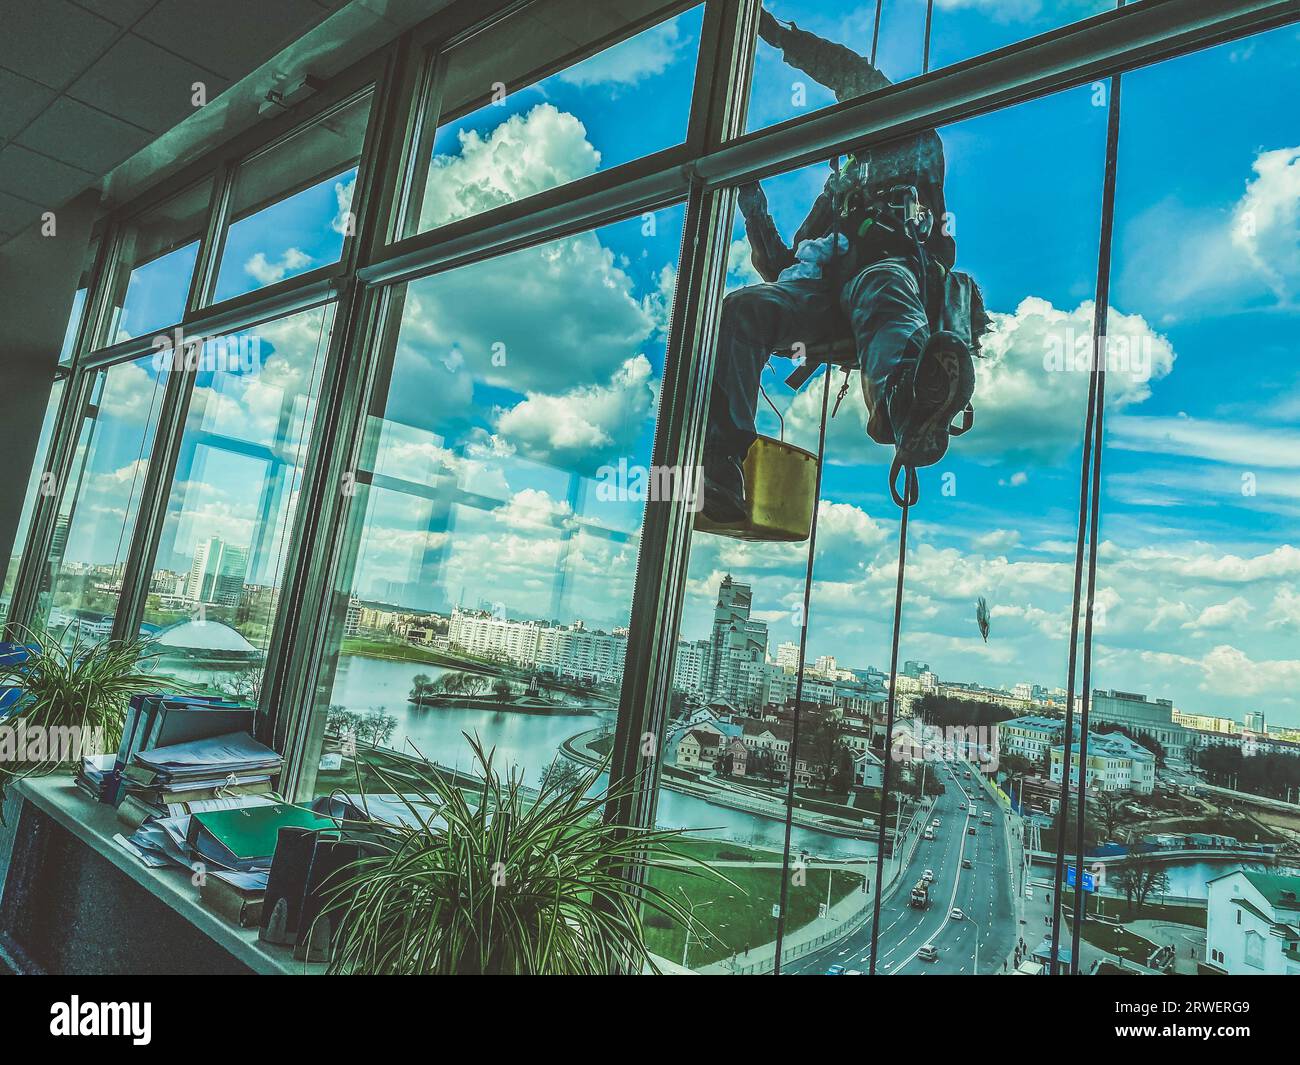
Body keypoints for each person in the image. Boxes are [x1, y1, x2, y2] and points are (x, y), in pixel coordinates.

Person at [703, 10, 988, 521]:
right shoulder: (834, 200)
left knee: (883, 286)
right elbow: (781, 267)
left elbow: (845, 70)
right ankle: (721, 466)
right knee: (741, 310)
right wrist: (752, 203)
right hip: (823, 295)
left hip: (885, 279)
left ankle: (903, 403)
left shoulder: (909, 140)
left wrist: (772, 34)